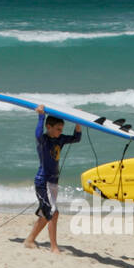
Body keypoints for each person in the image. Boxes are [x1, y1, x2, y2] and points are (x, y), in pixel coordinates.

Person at [24, 105, 81, 254]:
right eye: (58, 129)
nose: (60, 132)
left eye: (61, 129)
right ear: (49, 127)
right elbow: (37, 133)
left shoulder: (60, 139)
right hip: (43, 182)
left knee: (45, 215)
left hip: (53, 182)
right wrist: (41, 116)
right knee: (53, 213)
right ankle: (54, 247)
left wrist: (78, 123)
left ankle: (29, 240)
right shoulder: (43, 140)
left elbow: (77, 138)